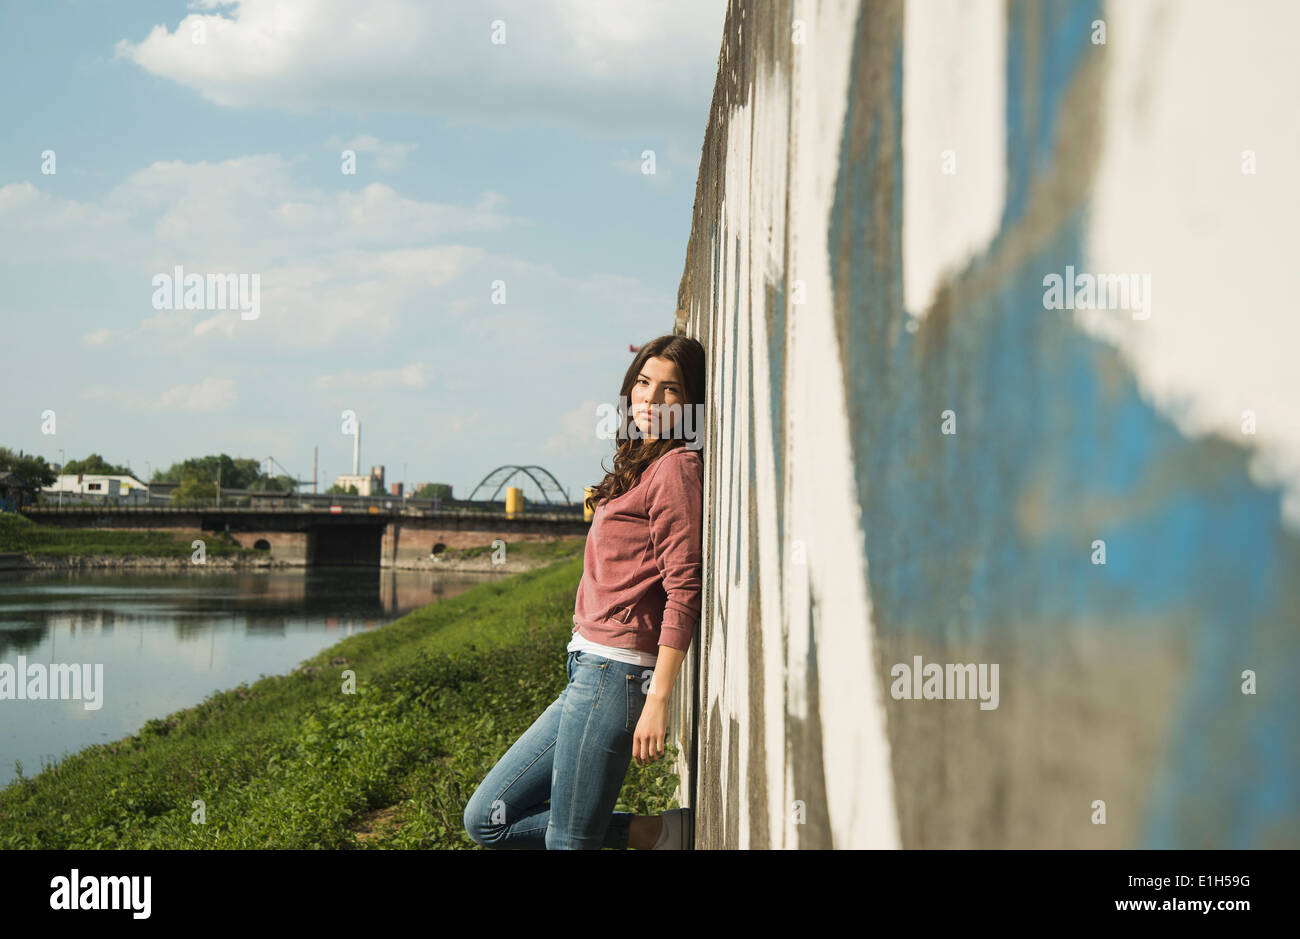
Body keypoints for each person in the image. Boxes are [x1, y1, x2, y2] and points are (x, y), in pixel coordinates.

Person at [463, 334, 706, 849]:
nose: (650, 398)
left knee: (568, 841)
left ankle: (658, 834)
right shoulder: (640, 462)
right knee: (488, 819)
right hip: (587, 669)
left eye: (670, 390)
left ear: (690, 403)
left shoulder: (675, 468)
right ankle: (659, 833)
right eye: (644, 382)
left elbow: (685, 588)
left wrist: (658, 697)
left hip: (616, 674)